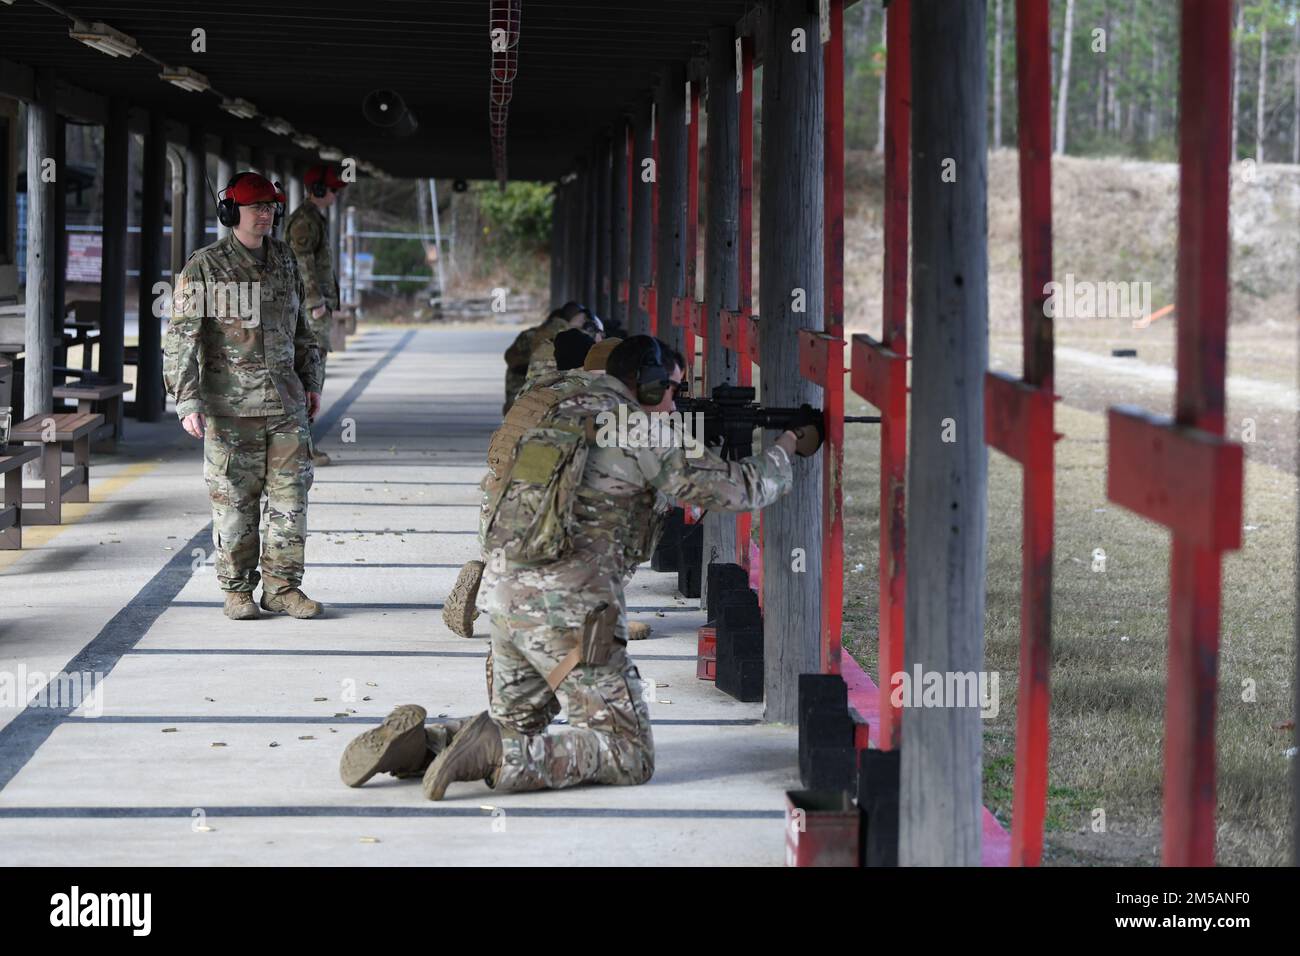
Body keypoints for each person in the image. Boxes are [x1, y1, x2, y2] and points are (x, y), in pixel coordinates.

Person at [343, 335, 822, 798]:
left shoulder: (557, 408)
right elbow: (740, 490)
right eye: (672, 390)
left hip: (507, 600)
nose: (676, 405)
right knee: (627, 753)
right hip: (569, 613)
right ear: (648, 381)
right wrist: (787, 445)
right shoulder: (639, 428)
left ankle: (425, 745)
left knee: (519, 725)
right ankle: (498, 758)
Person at [164, 171, 324, 620]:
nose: (267, 214)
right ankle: (237, 590)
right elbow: (181, 338)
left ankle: (283, 588)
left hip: (286, 405)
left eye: (271, 206)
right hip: (231, 409)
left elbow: (301, 331)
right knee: (235, 503)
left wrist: (311, 382)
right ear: (232, 212)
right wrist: (187, 399)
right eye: (256, 206)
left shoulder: (286, 260)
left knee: (291, 501)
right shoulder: (205, 267)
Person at [285, 163, 348, 466]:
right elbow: (302, 261)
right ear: (319, 190)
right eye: (333, 189)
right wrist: (314, 300)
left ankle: (302, 445)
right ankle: (301, 447)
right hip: (311, 309)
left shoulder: (313, 219)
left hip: (316, 305)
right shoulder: (305, 221)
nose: (336, 195)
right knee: (309, 375)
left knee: (312, 375)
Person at [501, 301, 589, 413]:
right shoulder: (573, 338)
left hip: (521, 388)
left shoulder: (530, 334)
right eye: (582, 319)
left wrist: (526, 366)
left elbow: (510, 357)